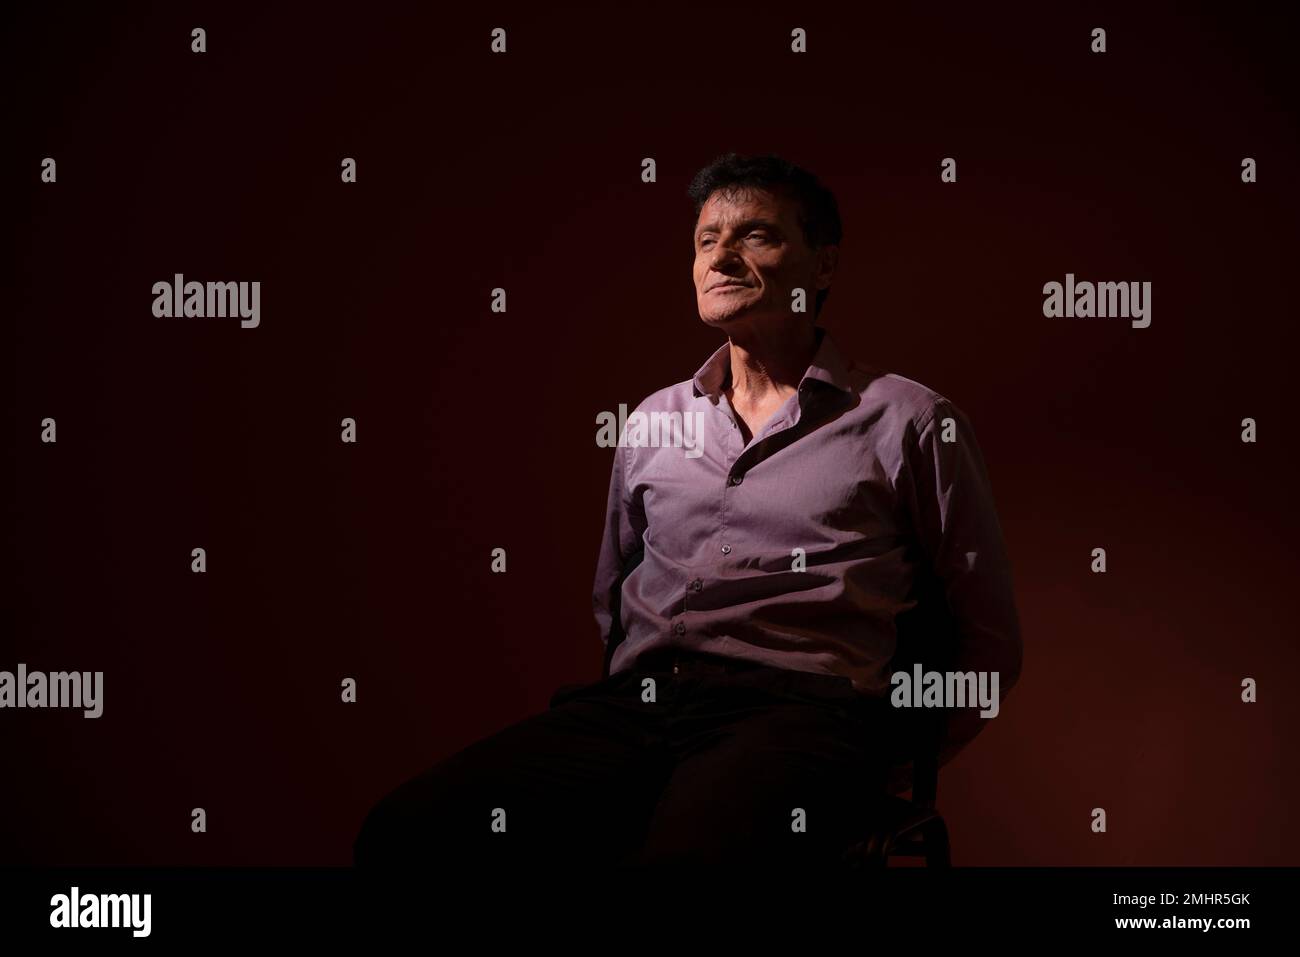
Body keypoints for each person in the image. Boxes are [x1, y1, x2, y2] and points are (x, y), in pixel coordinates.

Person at [353, 152, 1023, 873]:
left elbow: (985, 636)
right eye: (707, 240)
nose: (722, 257)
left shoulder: (908, 419)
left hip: (802, 717)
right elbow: (615, 598)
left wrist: (896, 756)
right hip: (638, 708)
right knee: (407, 831)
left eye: (756, 235)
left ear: (822, 266)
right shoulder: (651, 421)